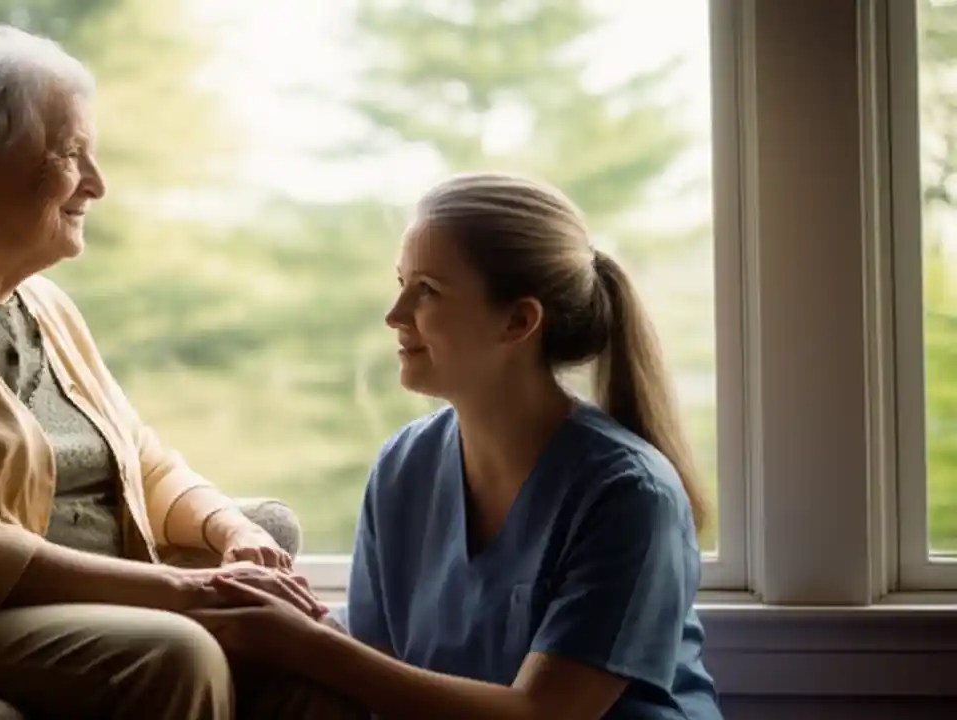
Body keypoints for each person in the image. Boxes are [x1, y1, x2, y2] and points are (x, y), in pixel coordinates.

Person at [0, 25, 360, 720]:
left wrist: (227, 532)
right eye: (71, 155)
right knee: (179, 651)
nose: (97, 183)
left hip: (74, 600)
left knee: (316, 645)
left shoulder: (42, 302)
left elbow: (143, 463)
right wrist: (191, 592)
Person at [190, 172, 724, 719]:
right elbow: (377, 673)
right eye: (400, 283)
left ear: (519, 320)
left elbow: (543, 714)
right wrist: (297, 617)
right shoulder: (403, 468)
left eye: (427, 290)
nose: (395, 315)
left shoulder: (630, 494)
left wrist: (306, 644)